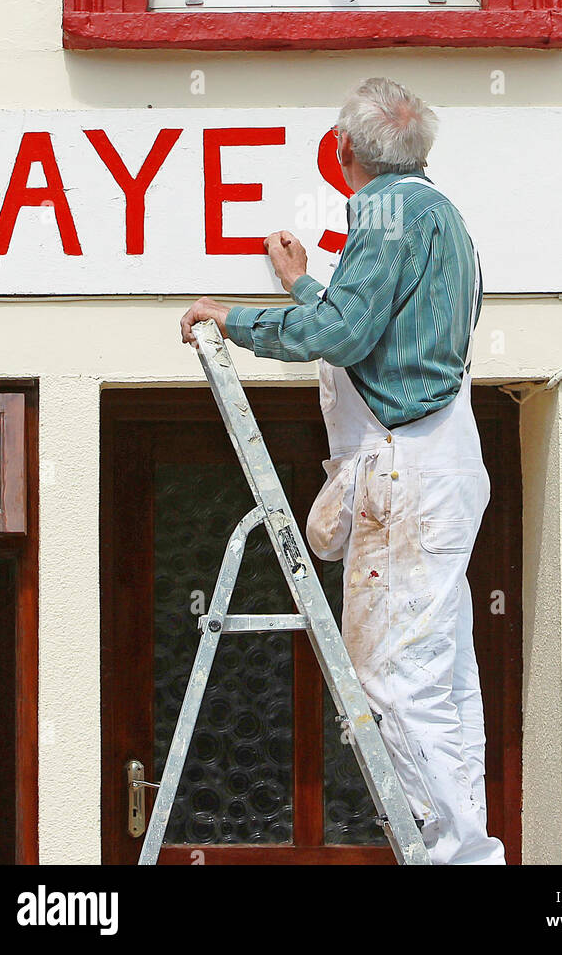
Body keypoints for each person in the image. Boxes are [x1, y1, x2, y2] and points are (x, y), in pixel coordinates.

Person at [180, 77, 506, 866]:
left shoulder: (387, 215)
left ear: (342, 152)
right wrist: (303, 285)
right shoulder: (442, 220)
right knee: (440, 672)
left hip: (409, 469)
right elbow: (374, 330)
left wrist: (236, 316)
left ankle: (454, 860)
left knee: (393, 675)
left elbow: (344, 333)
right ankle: (471, 851)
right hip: (442, 458)